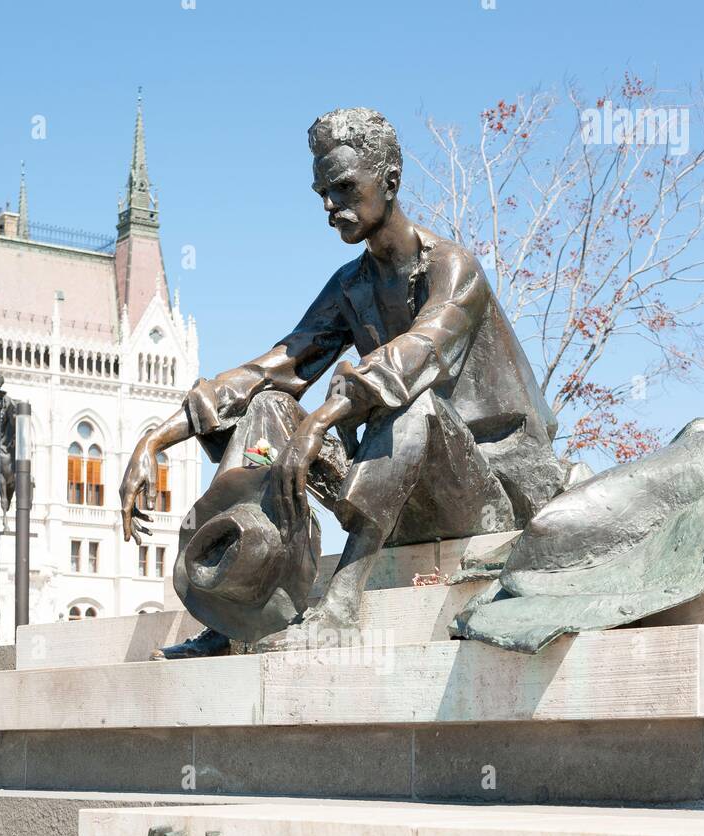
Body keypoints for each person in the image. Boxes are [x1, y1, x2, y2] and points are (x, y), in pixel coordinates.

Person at [120, 107, 566, 654]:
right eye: (323, 194)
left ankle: (341, 605)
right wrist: (156, 439)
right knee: (267, 406)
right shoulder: (350, 284)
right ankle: (238, 608)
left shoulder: (453, 268)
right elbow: (273, 367)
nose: (332, 207)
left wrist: (325, 420)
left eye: (345, 188)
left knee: (413, 404)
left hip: (485, 494)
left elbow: (415, 356)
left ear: (391, 181)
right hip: (398, 496)